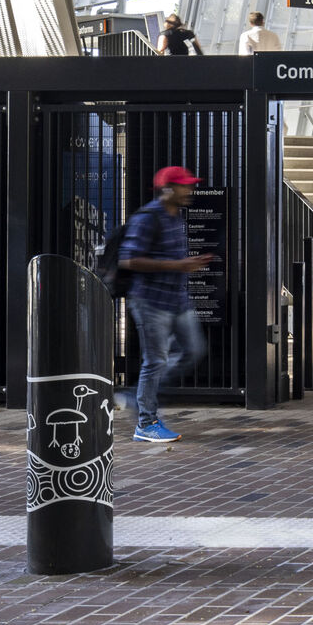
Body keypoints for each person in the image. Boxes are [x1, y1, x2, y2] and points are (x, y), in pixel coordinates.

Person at [120, 165, 213, 443]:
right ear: (168, 189)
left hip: (177, 301)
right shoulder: (148, 218)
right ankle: (146, 424)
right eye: (185, 186)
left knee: (193, 350)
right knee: (155, 360)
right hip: (150, 302)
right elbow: (128, 259)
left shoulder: (176, 218)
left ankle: (137, 395)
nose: (190, 190)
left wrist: (186, 266)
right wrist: (178, 265)